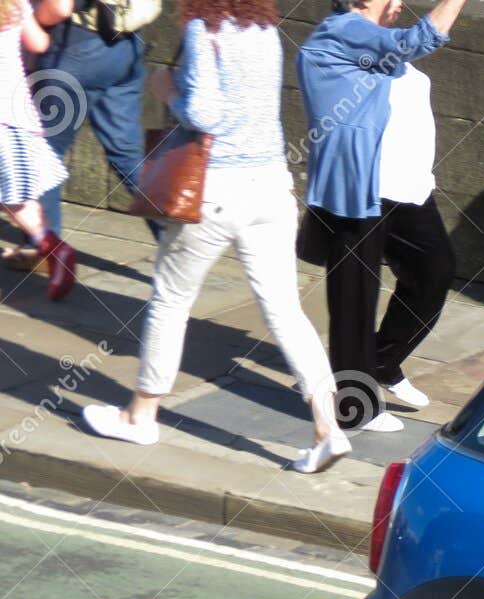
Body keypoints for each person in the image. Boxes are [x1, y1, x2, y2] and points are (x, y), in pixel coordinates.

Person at [80, 0, 349, 473]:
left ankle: (141, 415)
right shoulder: (266, 31)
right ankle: (328, 427)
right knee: (285, 310)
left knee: (171, 300)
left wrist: (168, 92)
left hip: (215, 190)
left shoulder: (207, 32)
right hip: (271, 188)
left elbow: (205, 114)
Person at [297, 0, 467, 433]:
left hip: (408, 190)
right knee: (355, 299)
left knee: (435, 270)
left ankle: (383, 363)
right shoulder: (343, 31)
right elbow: (422, 38)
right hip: (361, 188)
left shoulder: (375, 40)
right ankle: (354, 404)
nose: (397, 3)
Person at [3, 0, 161, 270]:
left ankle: (43, 248)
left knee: (43, 153)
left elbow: (61, 6)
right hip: (125, 45)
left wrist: (30, 20)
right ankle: (173, 234)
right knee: (127, 154)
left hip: (76, 47)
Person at [0, 0, 76, 298]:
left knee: (16, 199)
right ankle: (56, 250)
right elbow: (39, 42)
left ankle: (56, 249)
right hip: (15, 114)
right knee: (15, 198)